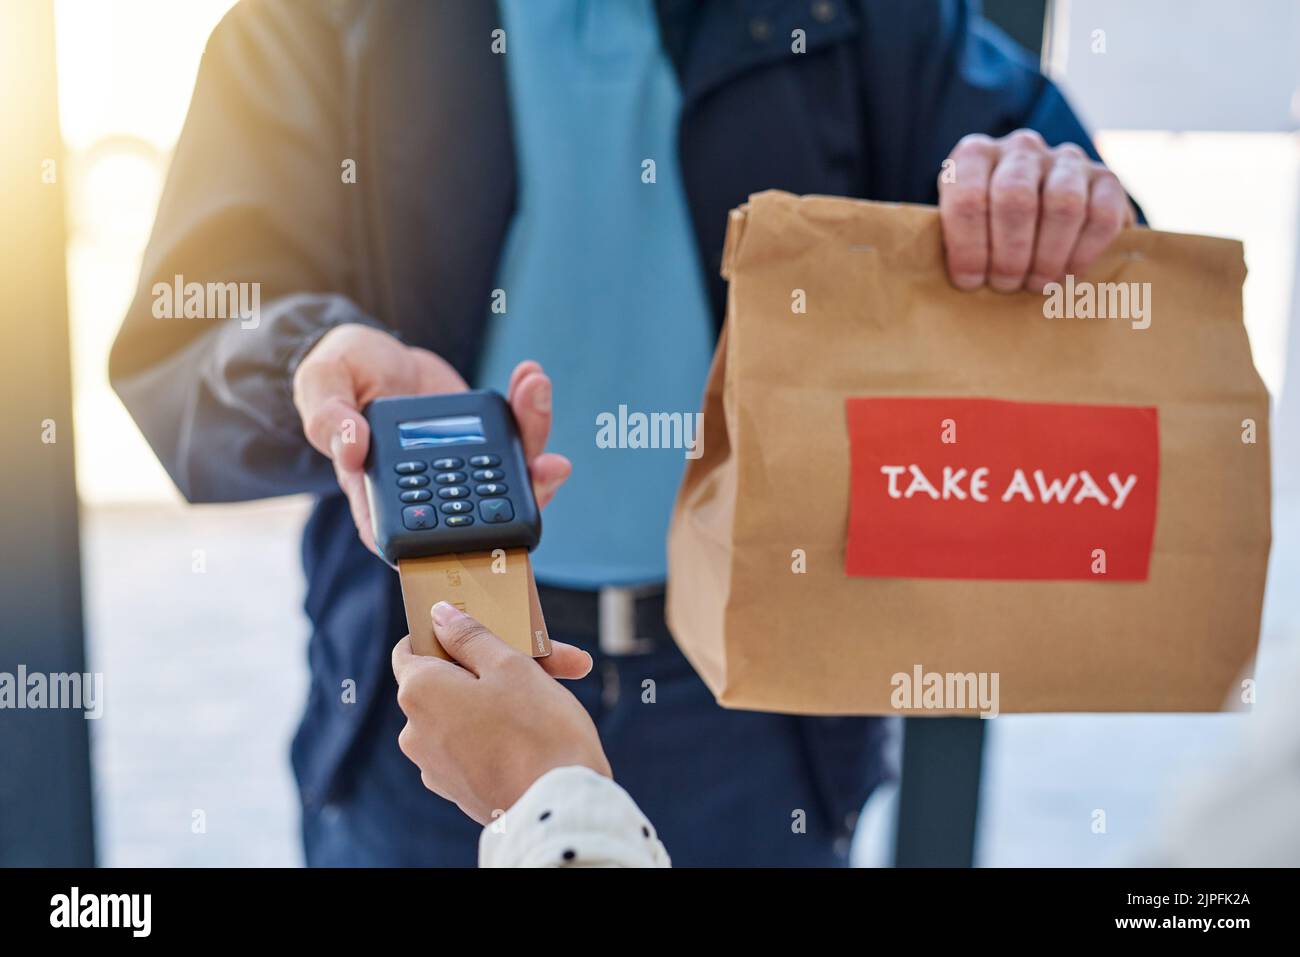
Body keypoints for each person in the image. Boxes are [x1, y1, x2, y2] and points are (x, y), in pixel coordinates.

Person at [110, 0, 1134, 866]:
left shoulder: (872, 15)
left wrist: (1044, 198)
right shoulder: (315, 19)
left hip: (756, 705)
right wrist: (308, 354)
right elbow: (182, 341)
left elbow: (1105, 251)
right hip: (430, 678)